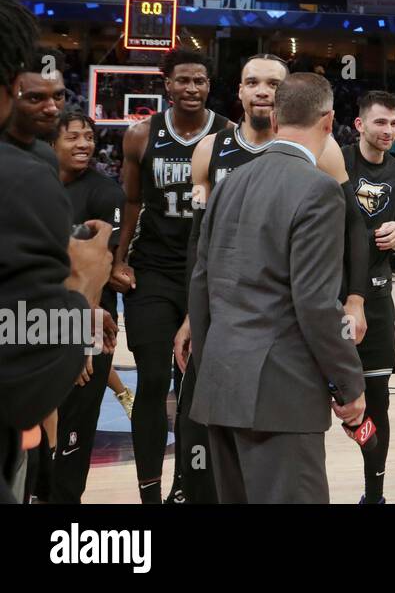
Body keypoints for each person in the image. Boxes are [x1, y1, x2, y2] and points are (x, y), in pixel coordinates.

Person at [172, 54, 361, 504]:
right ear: (329, 121)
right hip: (280, 396)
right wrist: (350, 385)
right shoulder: (318, 189)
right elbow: (316, 304)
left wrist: (208, 357)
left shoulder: (229, 182)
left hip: (220, 384)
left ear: (274, 118)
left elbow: (201, 282)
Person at [0, 0, 112, 503]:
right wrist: (84, 288)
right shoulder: (24, 177)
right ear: (9, 88)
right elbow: (23, 383)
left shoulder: (46, 171)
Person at [111, 48, 229, 503]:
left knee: (194, 383)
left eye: (200, 80)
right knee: (155, 378)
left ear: (209, 86)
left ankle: (187, 486)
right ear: (167, 84)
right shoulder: (141, 136)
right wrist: (118, 260)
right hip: (153, 270)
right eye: (183, 80)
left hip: (204, 271)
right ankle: (149, 492)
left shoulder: (228, 136)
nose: (192, 88)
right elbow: (132, 203)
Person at [44, 111, 125, 503]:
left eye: (89, 136)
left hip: (88, 318)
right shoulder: (31, 186)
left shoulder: (104, 192)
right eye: (72, 136)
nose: (83, 144)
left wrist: (82, 338)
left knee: (76, 425)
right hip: (35, 317)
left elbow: (97, 272)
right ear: (51, 143)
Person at [340, 90, 395, 504]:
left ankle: (375, 496)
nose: (388, 131)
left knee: (377, 405)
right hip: (331, 296)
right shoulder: (336, 161)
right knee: (325, 403)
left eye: (394, 123)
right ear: (360, 125)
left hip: (377, 299)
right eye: (380, 122)